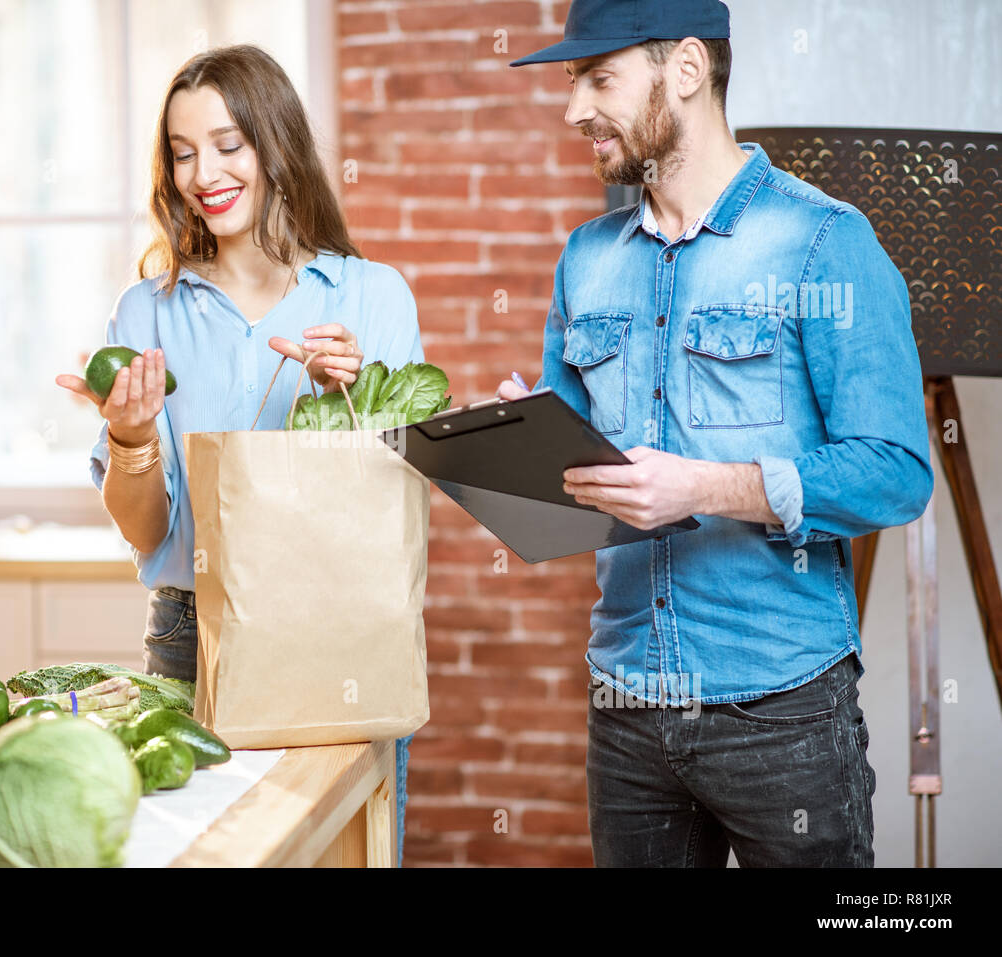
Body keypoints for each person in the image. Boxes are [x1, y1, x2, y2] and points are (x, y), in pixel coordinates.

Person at [499, 0, 932, 866]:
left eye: (599, 77)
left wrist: (702, 485)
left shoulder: (823, 242)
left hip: (782, 712)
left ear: (687, 70)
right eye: (573, 81)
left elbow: (896, 470)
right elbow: (578, 474)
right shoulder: (587, 256)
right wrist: (521, 439)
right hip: (625, 707)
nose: (574, 107)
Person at [56, 44, 422, 866]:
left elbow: (393, 503)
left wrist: (348, 403)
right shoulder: (147, 313)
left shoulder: (372, 297)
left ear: (275, 143)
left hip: (340, 636)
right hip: (192, 640)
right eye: (181, 153)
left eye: (227, 145)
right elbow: (147, 534)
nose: (201, 173)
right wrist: (130, 435)